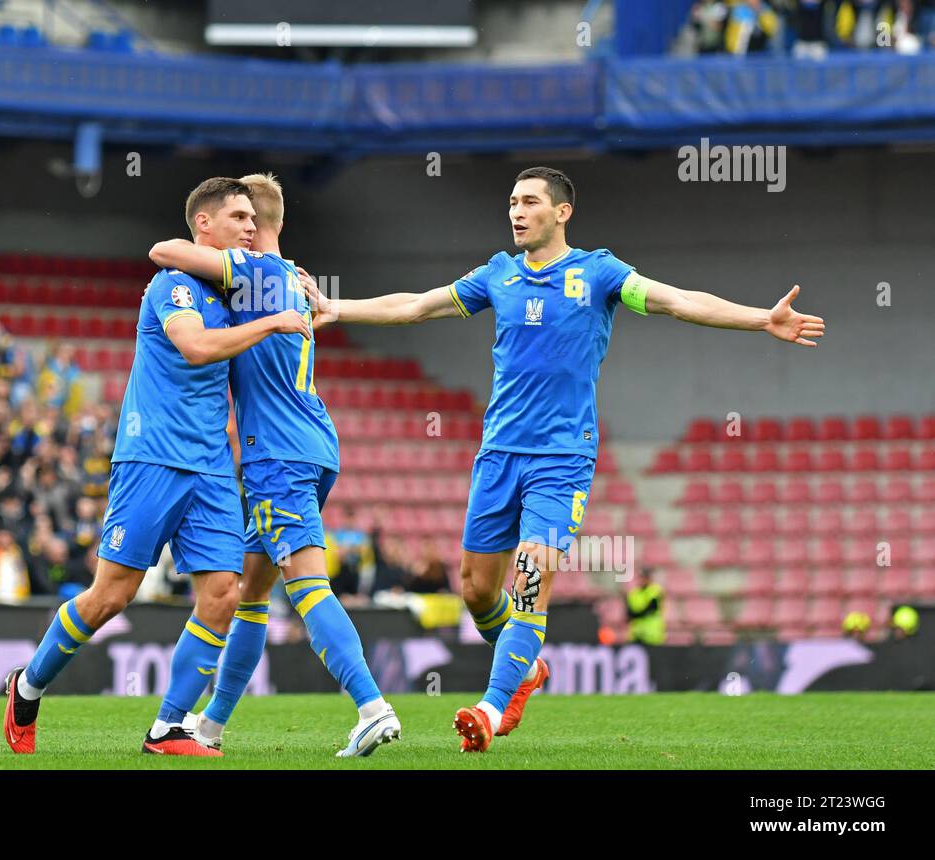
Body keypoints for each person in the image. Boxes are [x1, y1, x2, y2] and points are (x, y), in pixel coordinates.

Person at [304, 165, 825, 753]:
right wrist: (338, 309)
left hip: (561, 459)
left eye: (529, 202)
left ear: (562, 211)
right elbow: (419, 306)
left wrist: (762, 318)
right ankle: (526, 669)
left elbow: (677, 300)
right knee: (477, 590)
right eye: (511, 202)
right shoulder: (496, 275)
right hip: (498, 454)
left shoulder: (599, 273)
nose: (516, 212)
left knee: (530, 581)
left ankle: (492, 710)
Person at [2, 178, 310, 758]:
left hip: (214, 470)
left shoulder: (238, 292)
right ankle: (29, 684)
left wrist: (297, 287)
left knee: (223, 592)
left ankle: (168, 727)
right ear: (205, 226)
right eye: (238, 217)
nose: (250, 227)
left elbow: (280, 284)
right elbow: (195, 347)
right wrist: (273, 322)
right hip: (152, 458)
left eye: (253, 218)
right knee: (111, 597)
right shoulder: (172, 286)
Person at [147, 172, 400, 758]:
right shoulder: (291, 279)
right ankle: (210, 725)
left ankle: (370, 705)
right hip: (312, 444)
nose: (238, 229)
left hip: (276, 456)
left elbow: (165, 252)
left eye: (242, 218)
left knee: (307, 585)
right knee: (250, 594)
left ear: (255, 226)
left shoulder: (257, 273)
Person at [625, 568, 666, 645]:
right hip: (636, 634)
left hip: (652, 635)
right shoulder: (633, 594)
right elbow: (628, 614)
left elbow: (651, 608)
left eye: (645, 577)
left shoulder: (655, 591)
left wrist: (636, 614)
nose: (643, 580)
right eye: (641, 577)